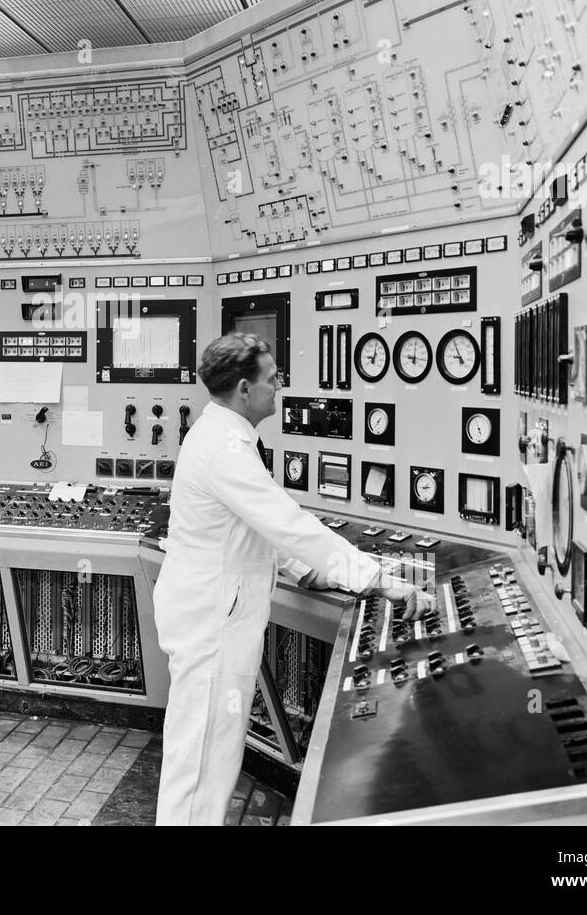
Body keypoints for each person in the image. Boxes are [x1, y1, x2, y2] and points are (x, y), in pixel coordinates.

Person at [152, 332, 437, 825]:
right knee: (201, 762)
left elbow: (259, 530)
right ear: (245, 388)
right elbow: (290, 524)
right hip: (212, 622)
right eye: (272, 379)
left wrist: (310, 573)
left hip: (213, 612)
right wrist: (379, 580)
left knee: (210, 752)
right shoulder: (225, 448)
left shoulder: (226, 437)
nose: (279, 388)